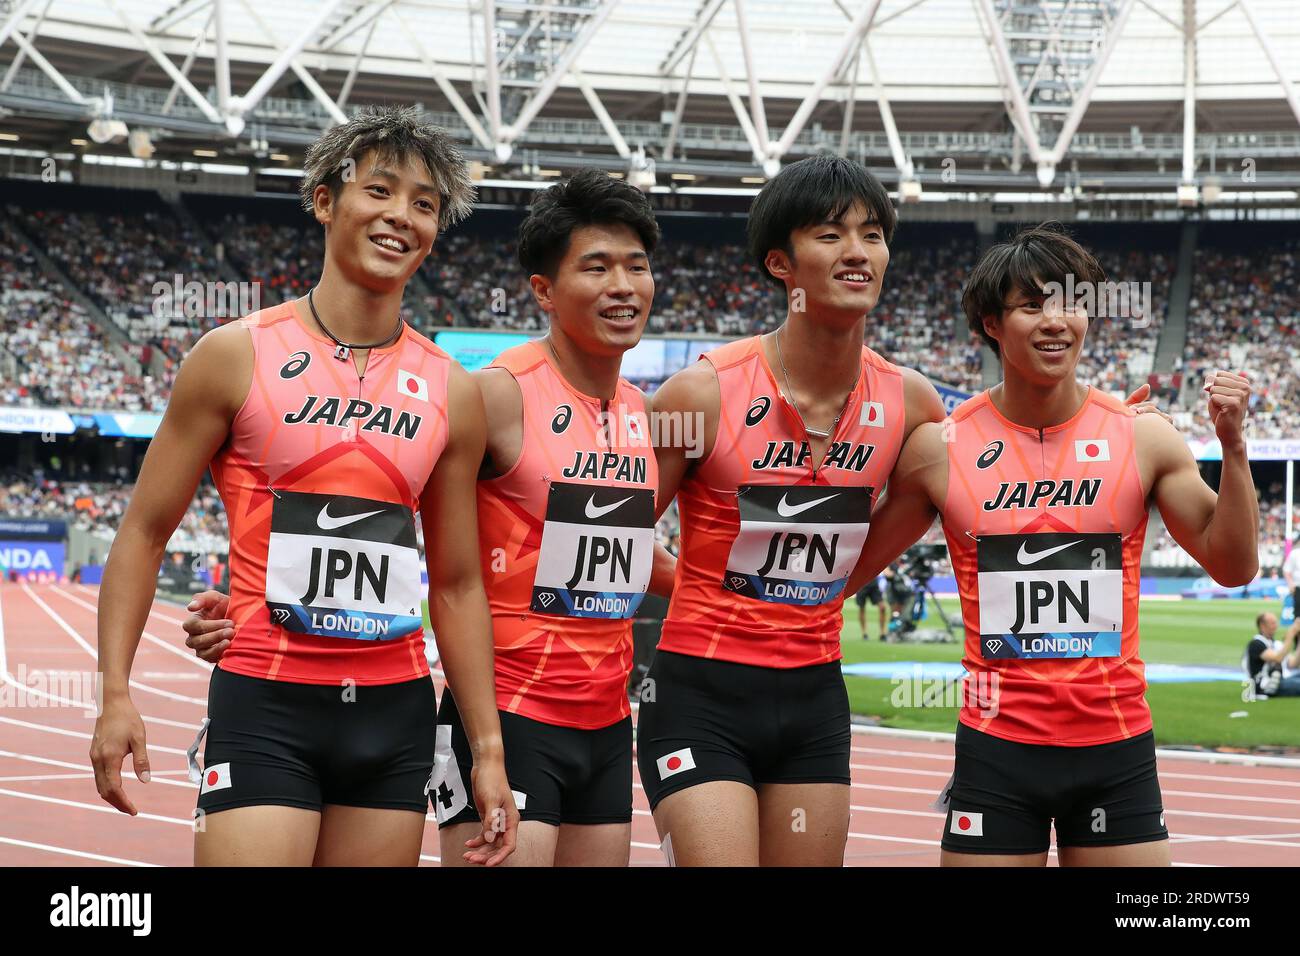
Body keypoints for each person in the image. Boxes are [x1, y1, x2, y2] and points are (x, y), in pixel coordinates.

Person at [183, 168, 676, 867]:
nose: (624, 285)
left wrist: (733, 595)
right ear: (543, 289)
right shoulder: (492, 395)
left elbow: (619, 549)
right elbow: (384, 510)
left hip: (601, 720)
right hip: (501, 709)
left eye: (637, 266)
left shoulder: (642, 414)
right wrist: (243, 592)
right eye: (598, 267)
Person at [91, 106, 517, 867]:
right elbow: (142, 532)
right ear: (325, 200)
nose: (401, 217)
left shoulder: (453, 391)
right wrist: (115, 692)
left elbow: (455, 583)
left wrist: (486, 748)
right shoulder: (232, 355)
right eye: (380, 190)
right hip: (266, 703)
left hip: (393, 712)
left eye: (424, 204)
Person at [847, 222, 1259, 867]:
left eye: (1069, 302)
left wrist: (1234, 450)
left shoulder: (1143, 438)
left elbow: (1233, 565)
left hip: (1115, 744)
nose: (1055, 322)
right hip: (996, 748)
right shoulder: (939, 449)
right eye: (1031, 306)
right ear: (991, 323)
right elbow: (842, 571)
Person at [639, 155, 946, 866]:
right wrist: (695, 587)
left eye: (872, 234)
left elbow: (939, 493)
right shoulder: (699, 396)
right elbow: (614, 532)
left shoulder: (911, 405)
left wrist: (832, 586)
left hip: (812, 700)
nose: (857, 252)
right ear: (781, 263)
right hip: (699, 693)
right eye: (831, 235)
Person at [1244, 612, 1300, 698]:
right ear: (1262, 626)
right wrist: (1290, 635)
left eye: (1276, 622)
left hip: (1280, 680)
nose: (1276, 626)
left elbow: (1293, 664)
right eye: (1272, 623)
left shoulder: (1276, 644)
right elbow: (1278, 658)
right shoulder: (1256, 644)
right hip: (1266, 685)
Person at [855, 574, 885, 640]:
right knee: (861, 608)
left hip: (874, 584)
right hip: (861, 584)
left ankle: (882, 633)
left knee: (882, 608)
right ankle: (864, 633)